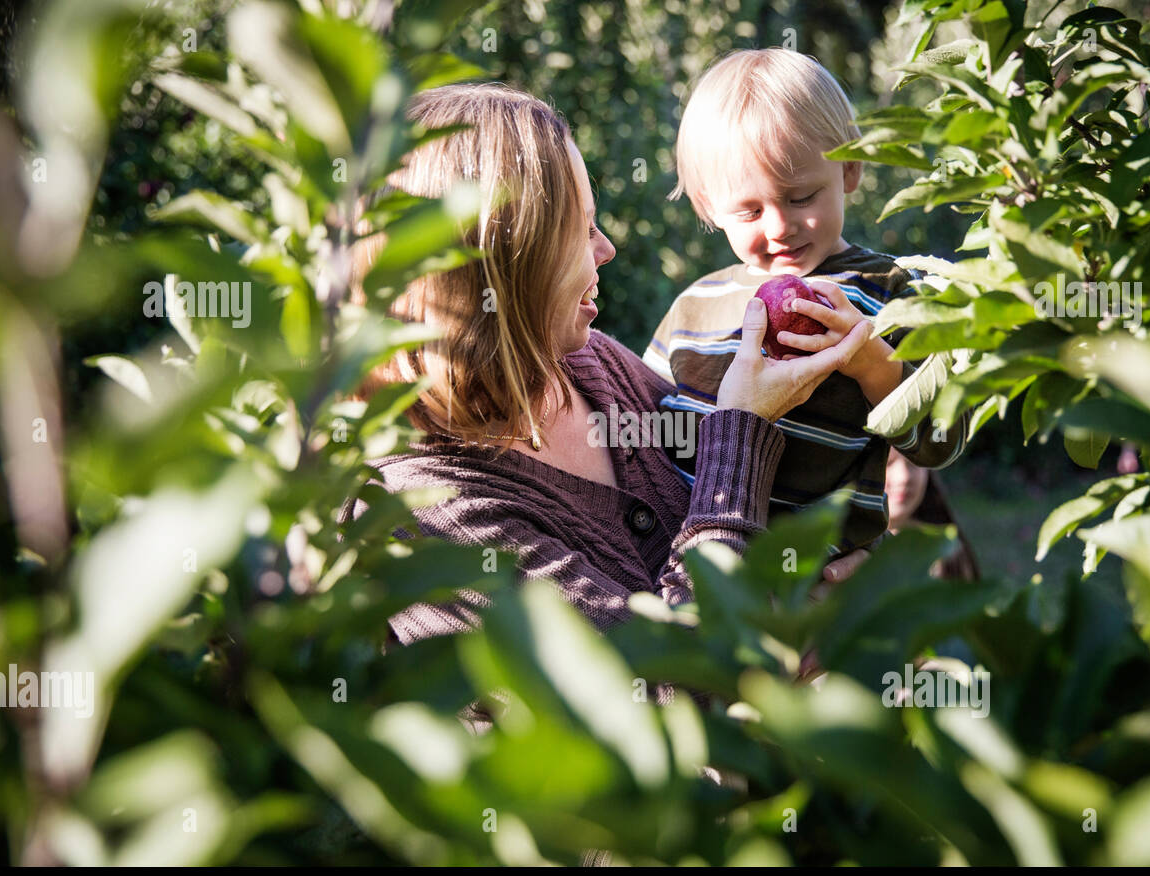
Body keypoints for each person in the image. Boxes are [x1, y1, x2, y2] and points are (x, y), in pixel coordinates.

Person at [341, 83, 877, 645]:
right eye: (581, 229)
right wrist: (743, 425)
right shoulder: (425, 516)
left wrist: (848, 555)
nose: (606, 250)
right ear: (506, 263)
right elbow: (665, 689)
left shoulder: (591, 366)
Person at [645, 48, 966, 561]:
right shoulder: (696, 306)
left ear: (850, 171)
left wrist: (868, 361)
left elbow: (942, 440)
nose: (779, 228)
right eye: (749, 210)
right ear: (709, 206)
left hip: (823, 573)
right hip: (709, 565)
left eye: (801, 198)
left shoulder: (887, 292)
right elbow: (645, 422)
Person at [885, 447, 980, 581]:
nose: (904, 477)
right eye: (887, 462)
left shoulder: (946, 550)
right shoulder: (850, 554)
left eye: (915, 462)